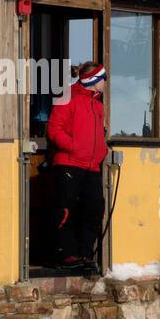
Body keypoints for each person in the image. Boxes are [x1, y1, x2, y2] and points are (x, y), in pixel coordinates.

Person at [46, 60, 108, 273]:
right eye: (103, 79)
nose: (106, 83)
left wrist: (102, 151)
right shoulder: (67, 97)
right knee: (67, 210)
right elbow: (54, 128)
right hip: (69, 163)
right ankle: (66, 254)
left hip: (92, 166)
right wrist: (73, 147)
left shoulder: (98, 105)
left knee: (94, 209)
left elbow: (99, 133)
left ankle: (84, 253)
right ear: (94, 80)